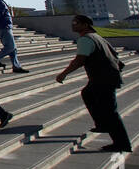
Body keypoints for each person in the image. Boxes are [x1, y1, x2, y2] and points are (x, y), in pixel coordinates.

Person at [56, 14, 132, 152]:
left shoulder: (86, 39)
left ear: (85, 25)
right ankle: (102, 124)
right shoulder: (97, 37)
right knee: (88, 94)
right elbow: (115, 55)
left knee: (110, 111)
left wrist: (63, 74)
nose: (73, 25)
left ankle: (122, 143)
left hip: (103, 78)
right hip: (105, 76)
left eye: (76, 23)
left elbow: (79, 60)